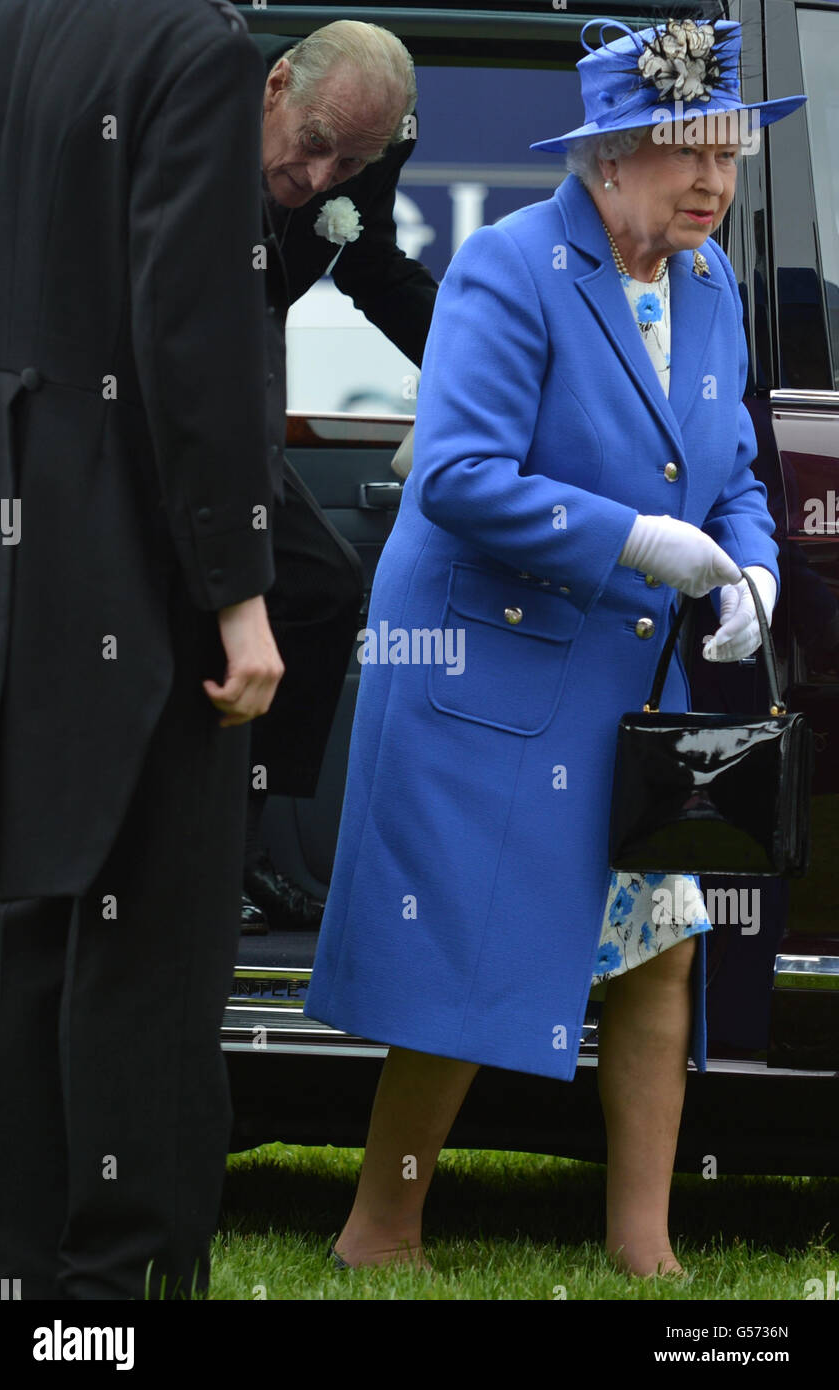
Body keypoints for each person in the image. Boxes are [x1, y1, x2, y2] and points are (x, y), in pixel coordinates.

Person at [303, 16, 806, 1276]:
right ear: (607, 160)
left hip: (627, 684)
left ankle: (650, 1254)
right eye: (685, 154)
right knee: (469, 946)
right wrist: (640, 542)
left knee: (656, 945)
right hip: (490, 671)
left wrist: (749, 564)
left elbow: (734, 470)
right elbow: (460, 477)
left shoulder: (704, 285)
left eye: (728, 158)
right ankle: (382, 1228)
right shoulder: (507, 266)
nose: (711, 184)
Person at [0, 0, 284, 1299]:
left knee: (35, 930)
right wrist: (240, 591)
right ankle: (123, 1290)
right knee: (150, 959)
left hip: (15, 556)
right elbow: (193, 329)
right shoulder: (199, 52)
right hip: (137, 571)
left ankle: (40, 1275)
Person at [241, 20, 438, 931]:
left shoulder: (366, 153)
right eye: (317, 146)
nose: (324, 181)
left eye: (350, 168)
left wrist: (492, 371)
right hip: (142, 405)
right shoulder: (189, 113)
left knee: (318, 586)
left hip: (238, 413)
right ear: (277, 84)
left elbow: (371, 269)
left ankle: (241, 850)